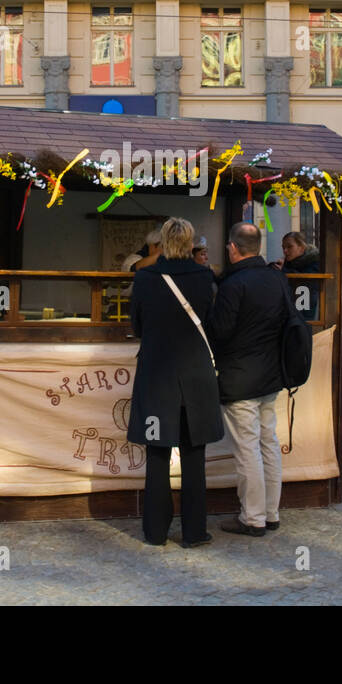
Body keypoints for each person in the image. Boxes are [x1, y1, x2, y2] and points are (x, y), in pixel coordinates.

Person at [128, 217, 223, 548]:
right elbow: (212, 324)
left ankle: (155, 531)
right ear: (191, 243)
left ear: (163, 242)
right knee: (194, 457)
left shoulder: (145, 277)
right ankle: (194, 531)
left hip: (157, 378)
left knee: (157, 455)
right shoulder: (204, 277)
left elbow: (137, 326)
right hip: (196, 377)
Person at [210, 221, 289, 537]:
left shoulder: (233, 284)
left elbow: (220, 331)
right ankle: (271, 512)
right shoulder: (277, 278)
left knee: (247, 449)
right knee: (268, 442)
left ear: (232, 248)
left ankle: (253, 518)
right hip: (270, 376)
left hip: (239, 377)